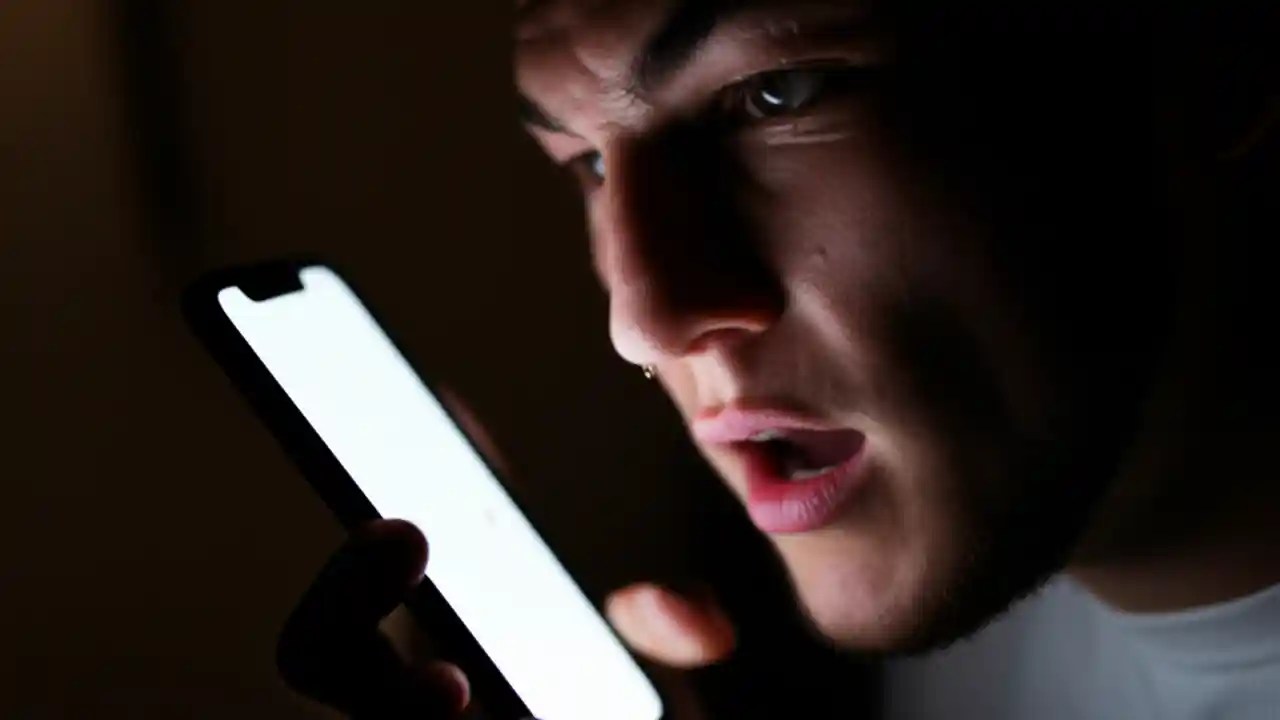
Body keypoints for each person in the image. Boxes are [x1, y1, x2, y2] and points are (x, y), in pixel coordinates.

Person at [275, 1, 1280, 717]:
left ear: (1215, 49)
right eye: (584, 162)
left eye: (775, 95)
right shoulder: (985, 565)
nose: (646, 321)